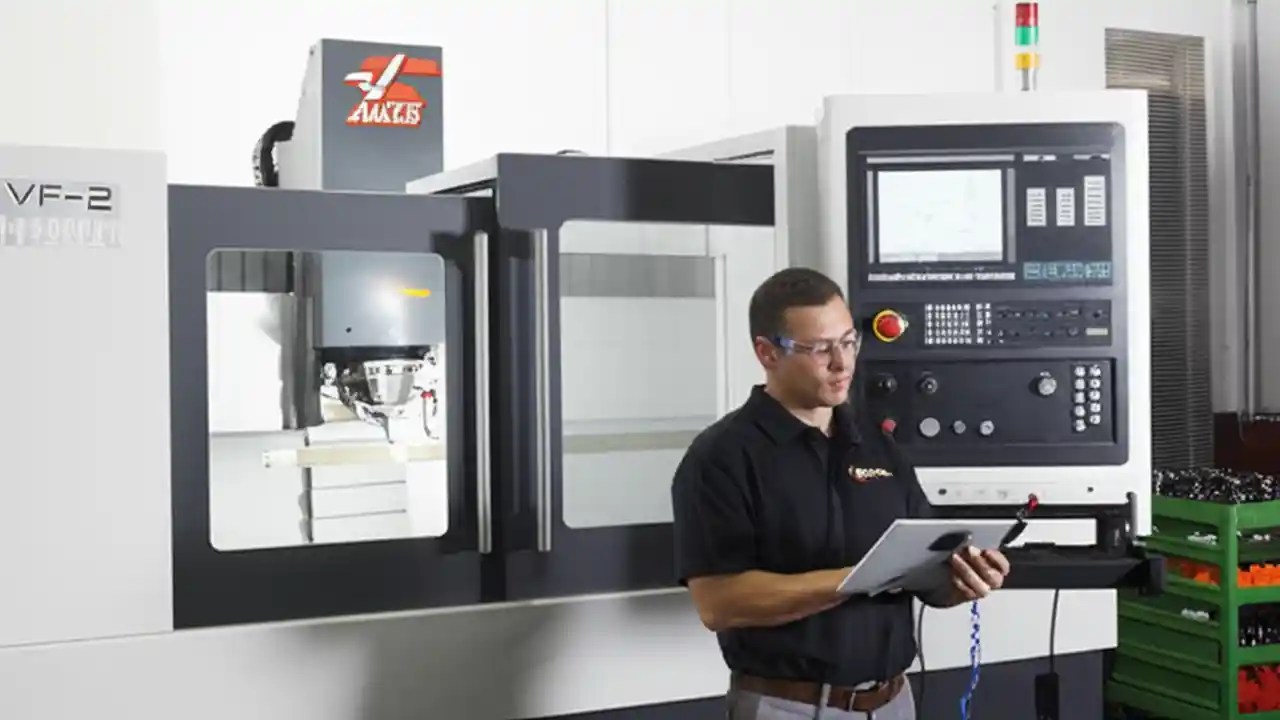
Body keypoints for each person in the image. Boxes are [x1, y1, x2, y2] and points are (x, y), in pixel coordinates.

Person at [671, 267, 1011, 719]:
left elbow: (927, 575)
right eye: (820, 349)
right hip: (789, 708)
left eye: (849, 341)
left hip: (893, 702)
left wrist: (962, 580)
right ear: (767, 353)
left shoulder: (875, 443)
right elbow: (719, 603)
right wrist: (856, 579)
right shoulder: (721, 458)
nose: (842, 363)